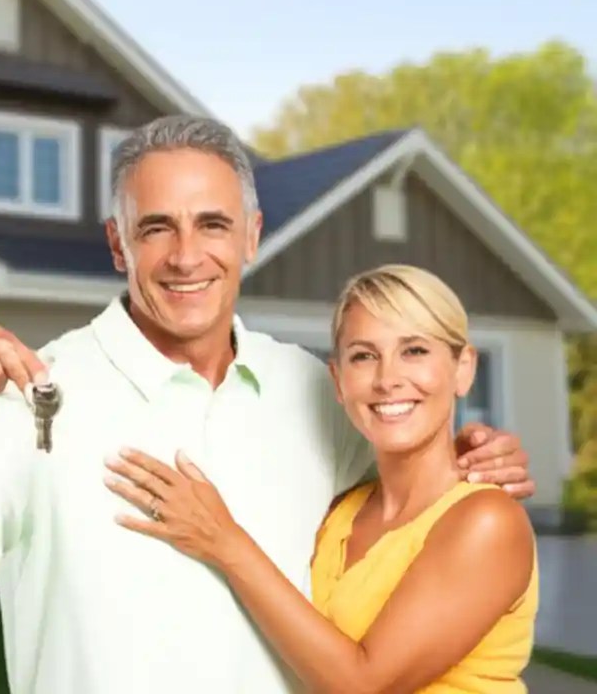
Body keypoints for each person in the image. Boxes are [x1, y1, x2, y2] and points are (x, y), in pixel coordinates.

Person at [0, 114, 536, 693]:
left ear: (251, 236)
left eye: (213, 224)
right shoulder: (36, 389)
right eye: (156, 228)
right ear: (117, 244)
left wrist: (470, 455)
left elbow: (416, 496)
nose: (186, 256)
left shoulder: (311, 389)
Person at [105, 263, 538, 693]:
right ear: (338, 380)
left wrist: (224, 541)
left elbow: (362, 685)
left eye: (415, 351)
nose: (388, 379)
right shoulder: (340, 513)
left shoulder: (487, 521)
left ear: (463, 368)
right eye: (364, 356)